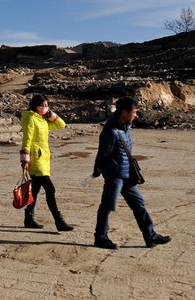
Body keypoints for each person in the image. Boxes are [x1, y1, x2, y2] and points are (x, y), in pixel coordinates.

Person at [93, 97, 172, 249]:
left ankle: (150, 236)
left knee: (138, 203)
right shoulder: (110, 131)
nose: (136, 115)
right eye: (134, 112)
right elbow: (102, 154)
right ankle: (100, 238)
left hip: (126, 174)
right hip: (115, 175)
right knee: (107, 206)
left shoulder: (125, 128)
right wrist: (97, 168)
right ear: (124, 112)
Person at [20, 94, 74, 231]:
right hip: (36, 158)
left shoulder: (43, 119)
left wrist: (51, 115)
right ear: (35, 105)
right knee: (50, 189)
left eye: (46, 105)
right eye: (42, 105)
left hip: (43, 158)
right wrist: (25, 158)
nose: (44, 107)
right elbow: (27, 138)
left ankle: (29, 218)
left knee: (35, 189)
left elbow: (61, 124)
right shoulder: (31, 118)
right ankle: (59, 221)